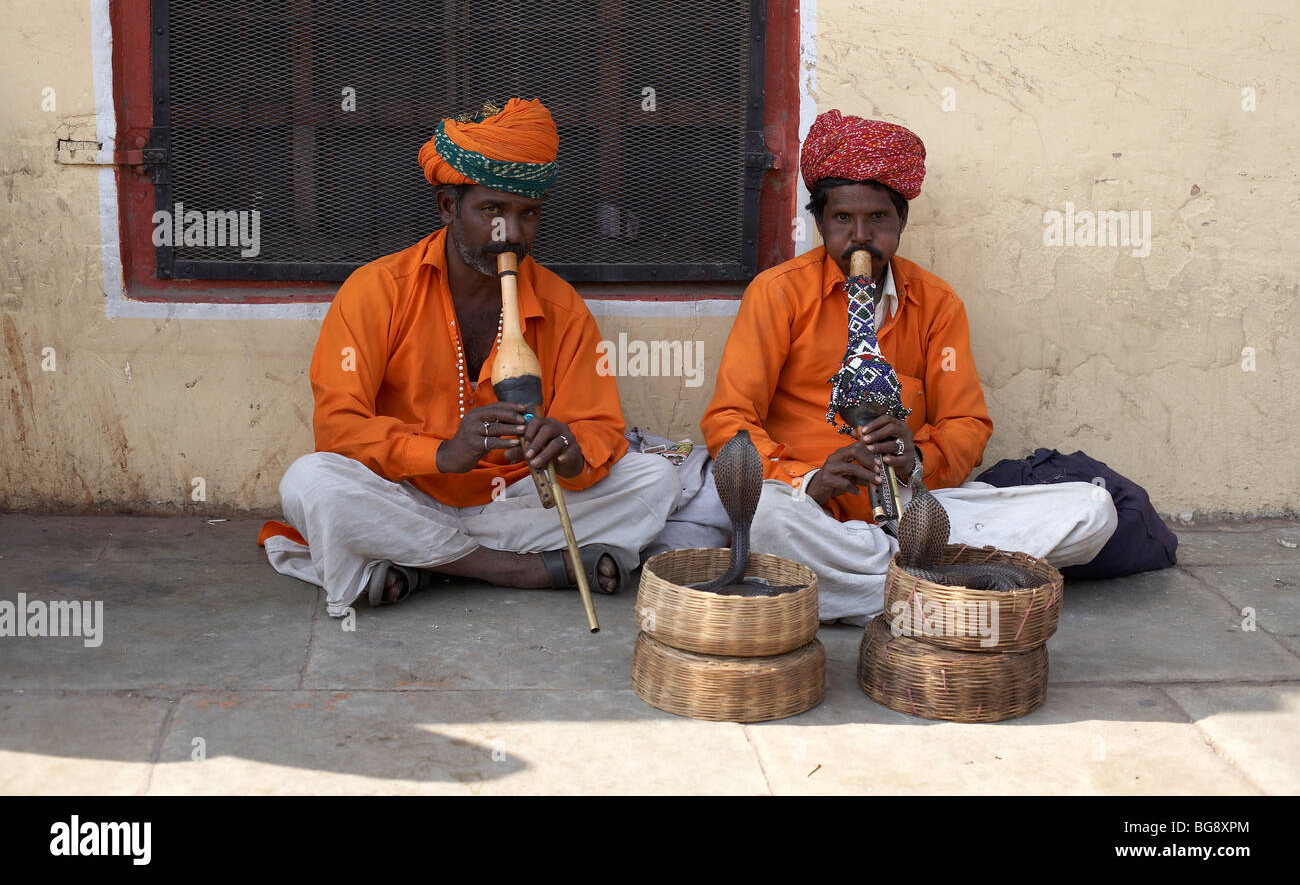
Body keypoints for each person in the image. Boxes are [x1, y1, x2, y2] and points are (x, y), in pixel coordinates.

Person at [259, 98, 678, 617]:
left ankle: (418, 560)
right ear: (447, 207)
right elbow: (339, 428)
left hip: (515, 503)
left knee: (656, 481)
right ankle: (521, 569)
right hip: (407, 493)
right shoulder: (376, 290)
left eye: (528, 214)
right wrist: (438, 454)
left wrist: (570, 450)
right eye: (492, 210)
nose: (513, 234)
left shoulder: (561, 306)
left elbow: (599, 429)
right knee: (310, 481)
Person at [700, 110, 1117, 625]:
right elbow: (729, 421)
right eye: (842, 219)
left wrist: (916, 461)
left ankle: (855, 591)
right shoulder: (778, 293)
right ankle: (946, 590)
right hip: (813, 514)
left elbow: (967, 425)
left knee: (1092, 510)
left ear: (901, 223)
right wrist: (808, 480)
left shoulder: (936, 303)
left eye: (878, 219)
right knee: (763, 517)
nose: (860, 237)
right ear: (819, 223)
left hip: (919, 511)